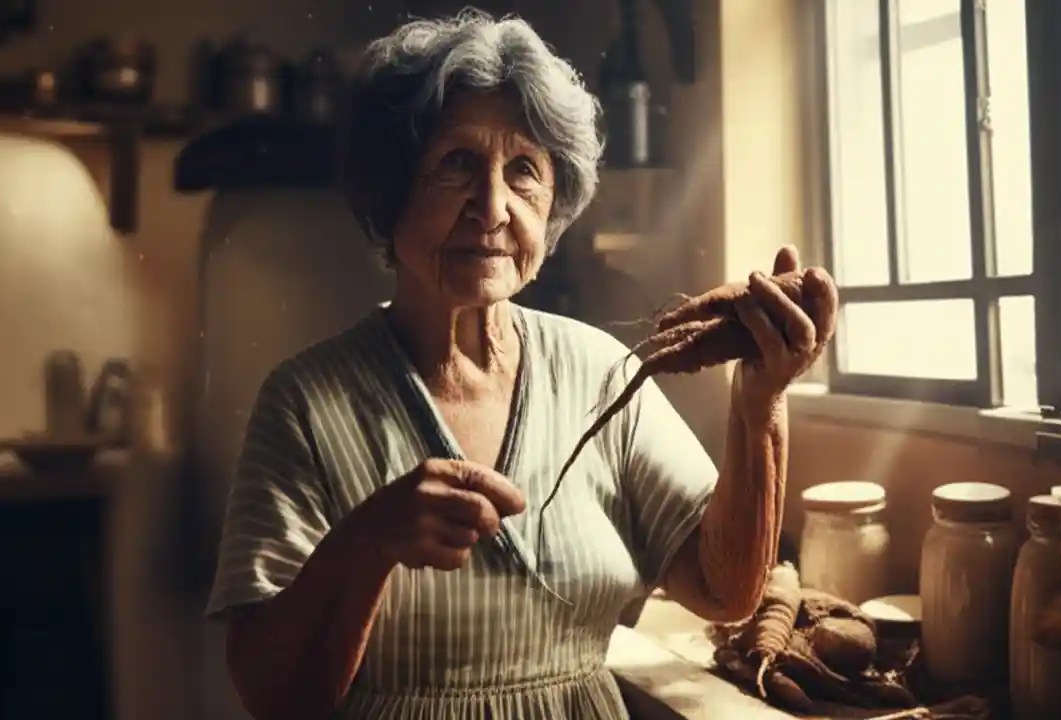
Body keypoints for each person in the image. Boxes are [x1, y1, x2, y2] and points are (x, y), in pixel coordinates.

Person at [205, 9, 837, 719]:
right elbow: (272, 696)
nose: (494, 208)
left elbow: (724, 590)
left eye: (525, 171)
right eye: (455, 165)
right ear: (390, 192)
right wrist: (369, 539)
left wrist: (758, 407)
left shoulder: (600, 373)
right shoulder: (305, 403)